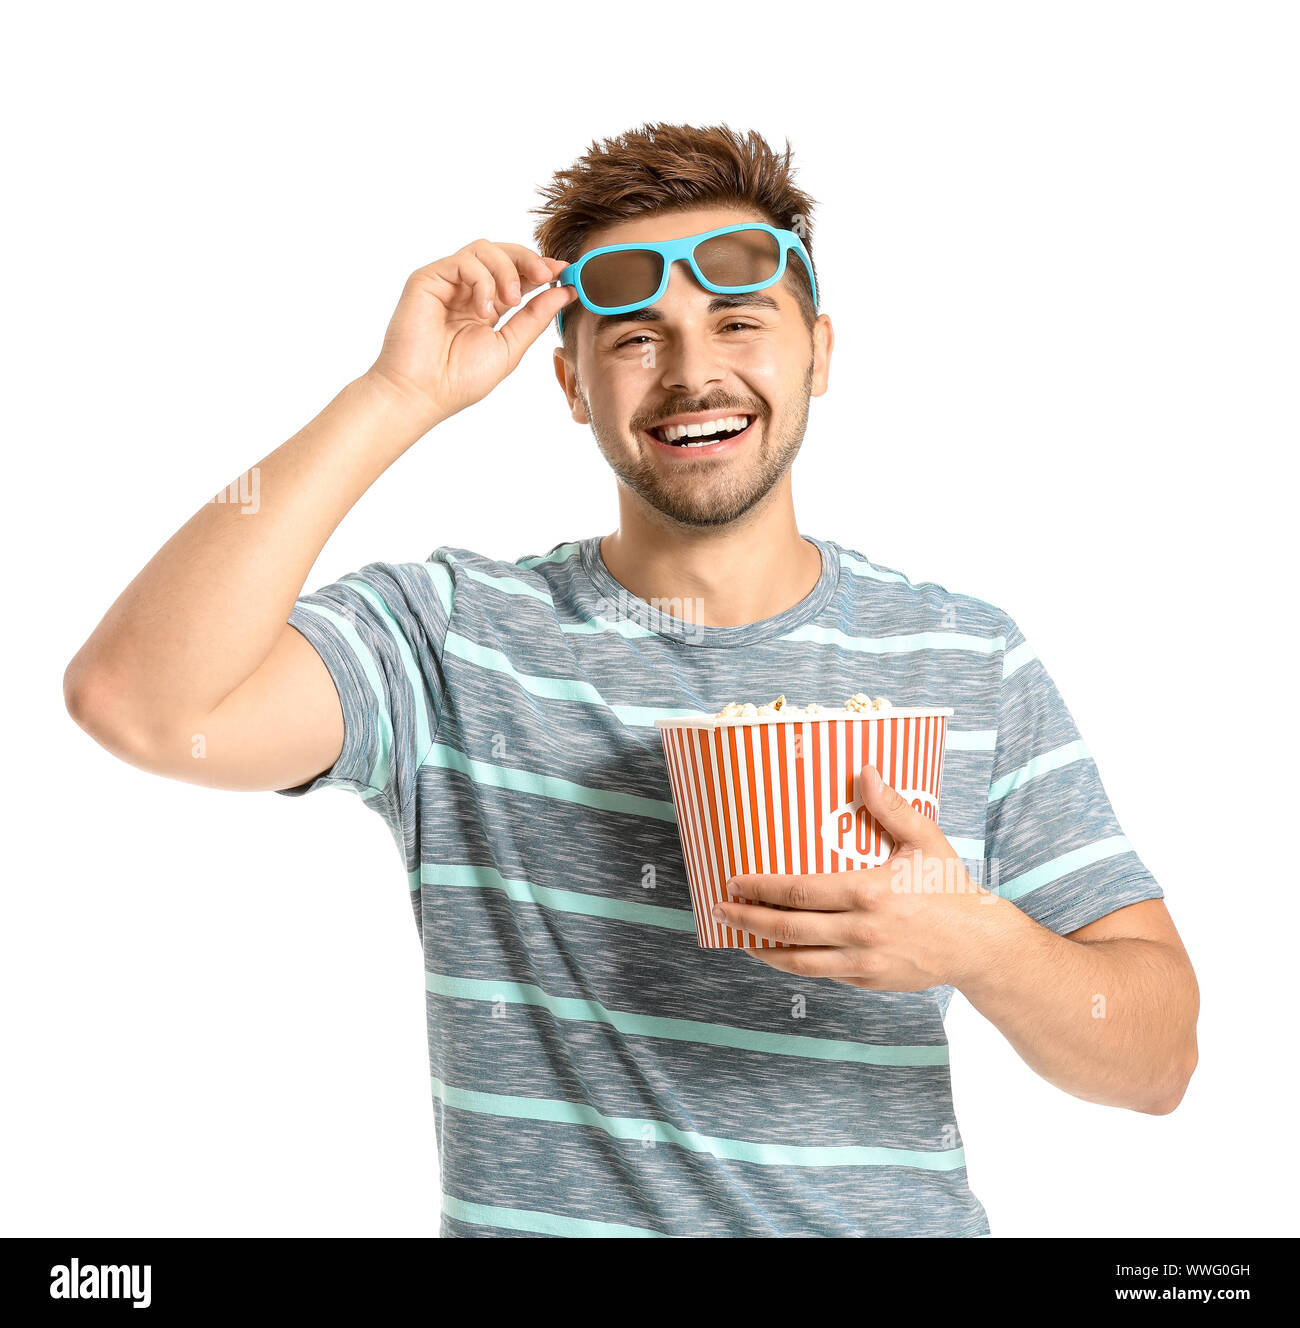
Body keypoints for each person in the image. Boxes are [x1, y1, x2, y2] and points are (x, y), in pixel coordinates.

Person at [63, 122, 1198, 1238]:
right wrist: (395, 395)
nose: (694, 372)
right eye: (637, 339)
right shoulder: (455, 640)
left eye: (740, 321)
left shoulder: (966, 654)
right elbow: (143, 704)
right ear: (570, 384)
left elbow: (1158, 1059)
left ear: (820, 350)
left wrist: (978, 942)